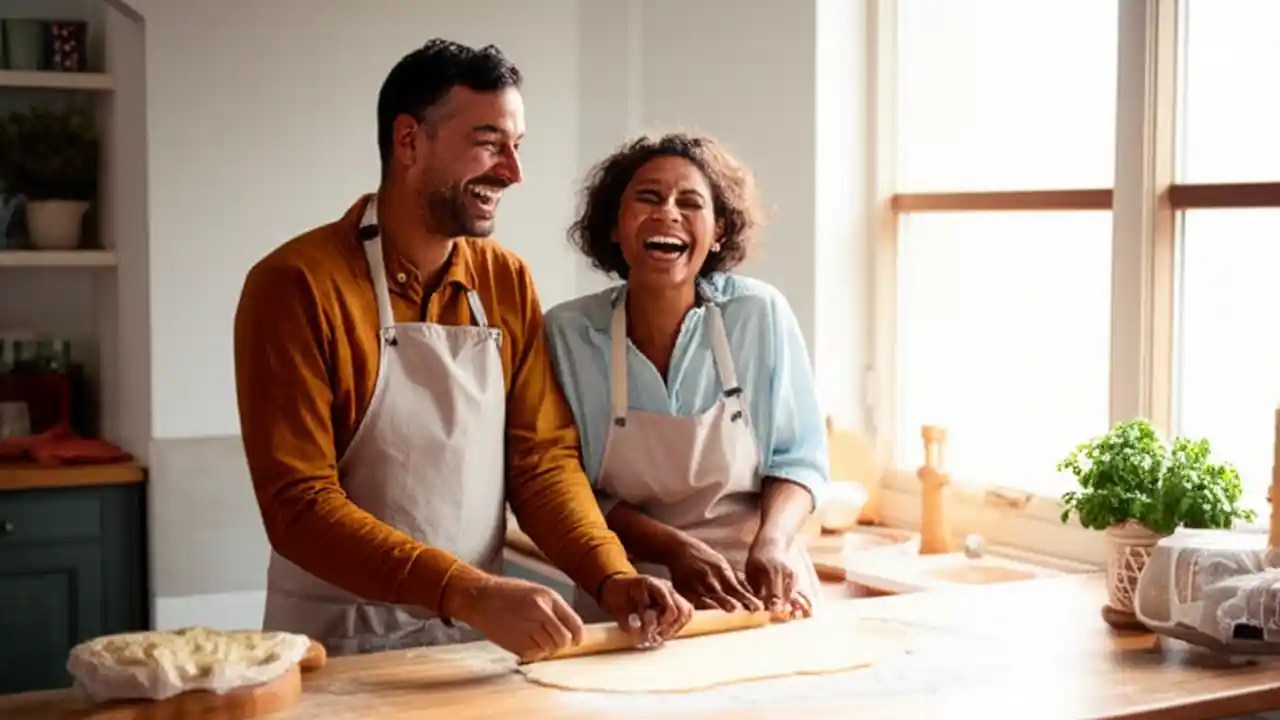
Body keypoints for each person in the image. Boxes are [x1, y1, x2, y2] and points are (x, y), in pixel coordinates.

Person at [232, 39, 691, 661]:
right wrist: (465, 590)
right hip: (340, 642)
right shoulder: (297, 285)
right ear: (409, 142)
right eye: (489, 143)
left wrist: (609, 574)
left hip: (473, 641)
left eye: (517, 147)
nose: (512, 171)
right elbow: (299, 506)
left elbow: (540, 462)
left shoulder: (505, 281)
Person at [545, 133, 830, 622]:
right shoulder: (567, 334)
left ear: (718, 231)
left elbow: (799, 461)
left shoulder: (758, 314)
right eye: (649, 198)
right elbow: (565, 487)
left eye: (690, 202)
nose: (668, 213)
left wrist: (775, 542)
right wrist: (674, 550)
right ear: (614, 225)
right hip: (631, 592)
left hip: (756, 586)